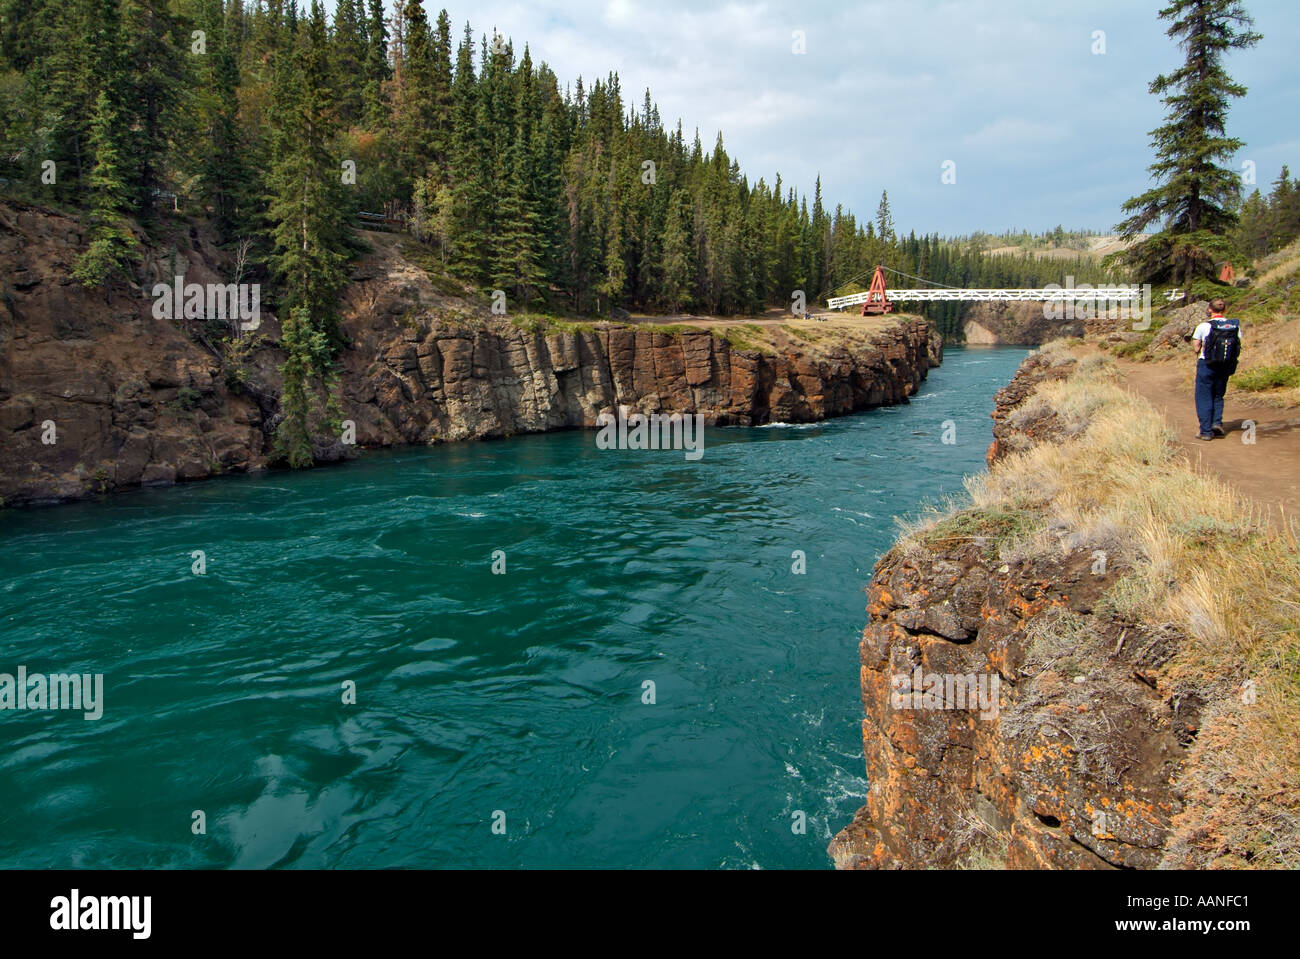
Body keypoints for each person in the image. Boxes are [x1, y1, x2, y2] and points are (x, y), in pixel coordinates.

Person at [1190, 298, 1241, 441]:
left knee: (1204, 396)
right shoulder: (1233, 326)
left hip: (1207, 364)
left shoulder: (1203, 326)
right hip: (1225, 365)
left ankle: (1206, 431)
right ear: (1224, 310)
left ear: (1210, 309)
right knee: (1218, 395)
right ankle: (1216, 423)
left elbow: (1196, 347)